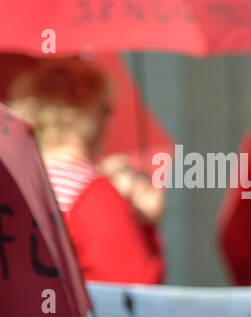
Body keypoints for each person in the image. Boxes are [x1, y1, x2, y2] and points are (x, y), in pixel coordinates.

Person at [7, 58, 164, 284]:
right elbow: (136, 289)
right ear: (86, 113)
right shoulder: (92, 193)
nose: (109, 120)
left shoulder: (14, 182)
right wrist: (147, 225)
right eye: (105, 109)